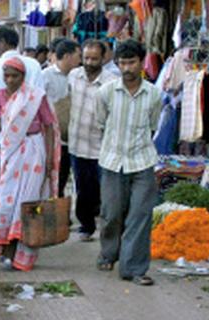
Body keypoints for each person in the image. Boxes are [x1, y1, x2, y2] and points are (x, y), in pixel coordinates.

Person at [93, 40, 162, 286]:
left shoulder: (154, 94)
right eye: (122, 63)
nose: (127, 68)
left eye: (131, 62)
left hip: (142, 161)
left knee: (139, 216)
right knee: (111, 213)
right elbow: (101, 122)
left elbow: (153, 125)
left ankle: (133, 268)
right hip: (112, 161)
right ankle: (109, 253)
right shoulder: (106, 92)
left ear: (141, 63)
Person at [0, 58, 59, 271]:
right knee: (4, 201)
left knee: (26, 203)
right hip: (10, 150)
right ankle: (5, 247)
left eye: (14, 76)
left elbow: (48, 126)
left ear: (23, 77)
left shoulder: (35, 96)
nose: (10, 80)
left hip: (33, 151)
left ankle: (21, 255)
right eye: (6, 76)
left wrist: (49, 162)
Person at [69, 39, 118, 242]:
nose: (89, 62)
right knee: (82, 188)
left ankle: (108, 230)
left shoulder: (111, 82)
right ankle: (86, 226)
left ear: (103, 58)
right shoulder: (74, 76)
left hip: (101, 145)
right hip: (77, 143)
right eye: (86, 58)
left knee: (105, 190)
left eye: (94, 58)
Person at [0, 27, 44, 133]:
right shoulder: (34, 64)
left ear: (2, 42)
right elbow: (40, 96)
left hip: (0, 131)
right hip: (29, 130)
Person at [43, 40, 80, 198]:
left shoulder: (78, 76)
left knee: (75, 176)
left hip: (76, 136)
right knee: (57, 176)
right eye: (78, 56)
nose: (81, 60)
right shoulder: (45, 76)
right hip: (54, 136)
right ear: (66, 56)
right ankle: (57, 210)